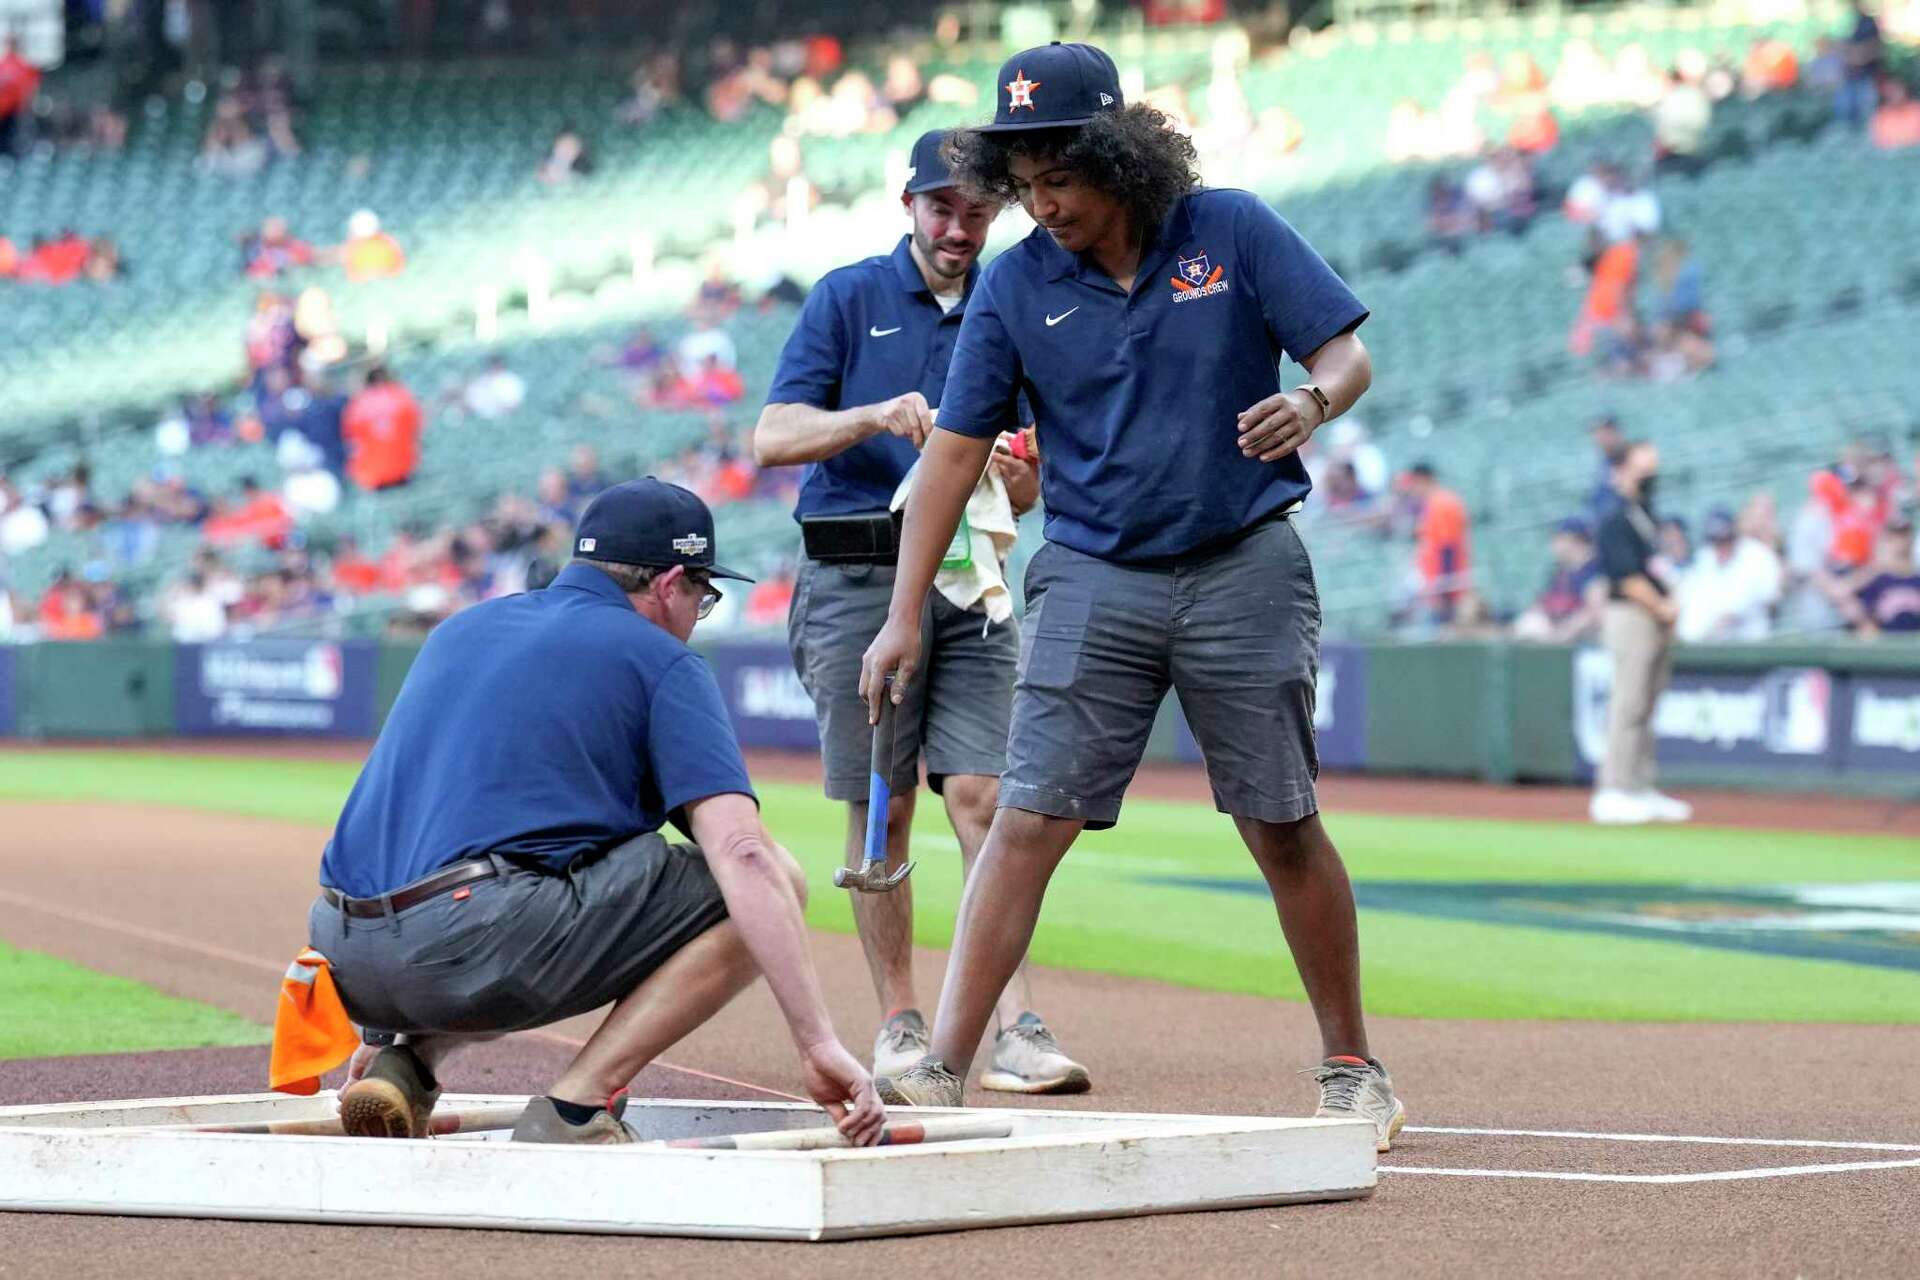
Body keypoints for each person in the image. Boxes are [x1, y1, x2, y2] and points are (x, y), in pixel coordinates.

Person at [855, 44, 1404, 1150]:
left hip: (1241, 559)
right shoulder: (1015, 282)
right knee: (1026, 817)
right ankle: (946, 1069)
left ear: (1124, 158)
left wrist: (1313, 403)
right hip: (1096, 573)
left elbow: (1346, 354)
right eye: (1028, 179)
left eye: (1064, 174)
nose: (1044, 201)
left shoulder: (1232, 229)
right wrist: (903, 612)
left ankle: (1354, 1066)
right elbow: (955, 456)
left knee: (1280, 821)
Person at [304, 480, 884, 1146]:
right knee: (770, 877)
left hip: (342, 953)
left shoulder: (461, 628)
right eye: (704, 591)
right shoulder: (663, 659)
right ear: (669, 583)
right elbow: (743, 854)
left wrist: (382, 1022)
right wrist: (816, 1043)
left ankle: (404, 1062)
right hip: (470, 945)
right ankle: (576, 1107)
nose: (701, 610)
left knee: (544, 880)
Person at [752, 130, 1077, 1092]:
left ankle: (1011, 1026)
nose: (959, 227)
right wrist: (872, 416)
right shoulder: (848, 296)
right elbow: (772, 435)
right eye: (943, 208)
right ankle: (897, 1022)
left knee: (990, 798)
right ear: (909, 207)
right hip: (857, 572)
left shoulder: (1017, 301)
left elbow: (1027, 488)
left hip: (970, 575)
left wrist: (1021, 483)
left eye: (978, 211)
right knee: (881, 811)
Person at [1591, 442, 1690, 826]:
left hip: (1655, 617)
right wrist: (1662, 606)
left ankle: (1639, 786)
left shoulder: (1644, 513)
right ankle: (1612, 789)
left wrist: (1671, 603)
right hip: (1631, 615)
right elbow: (1627, 577)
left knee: (1647, 704)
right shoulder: (1614, 515)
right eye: (1643, 467)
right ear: (1621, 470)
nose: (1651, 475)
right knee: (1628, 703)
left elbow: (1658, 566)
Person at [1675, 507, 1783, 642]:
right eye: (1716, 541)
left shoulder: (1757, 555)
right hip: (1712, 646)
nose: (1721, 546)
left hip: (1752, 643)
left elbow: (1771, 595)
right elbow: (1689, 600)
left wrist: (1734, 612)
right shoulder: (1705, 558)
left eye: (1725, 540)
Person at [1513, 517, 1603, 642]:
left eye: (1558, 539)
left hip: (1583, 643)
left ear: (1575, 540)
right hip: (1556, 634)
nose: (1553, 545)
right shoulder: (1562, 572)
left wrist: (1564, 631)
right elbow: (1540, 606)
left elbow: (1594, 613)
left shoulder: (1593, 571)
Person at [343, 366, 423, 491]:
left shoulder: (357, 405)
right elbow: (416, 428)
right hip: (403, 469)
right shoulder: (402, 397)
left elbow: (352, 440)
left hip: (370, 475)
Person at [1846, 510, 1920, 635]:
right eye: (1894, 537)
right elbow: (1844, 593)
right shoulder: (1876, 575)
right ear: (1886, 540)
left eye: (1904, 535)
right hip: (1886, 643)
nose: (1900, 541)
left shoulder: (1916, 576)